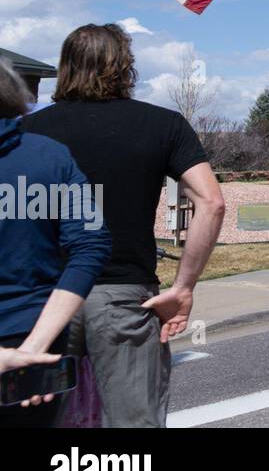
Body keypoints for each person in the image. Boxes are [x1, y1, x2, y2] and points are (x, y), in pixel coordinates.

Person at [22, 24, 224, 427]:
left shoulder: (29, 131)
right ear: (124, 68)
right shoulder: (163, 124)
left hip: (43, 300)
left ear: (65, 69)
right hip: (123, 298)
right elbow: (212, 202)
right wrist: (183, 287)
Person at [0, 59, 111, 426]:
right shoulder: (51, 156)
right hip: (33, 340)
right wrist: (34, 345)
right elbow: (92, 244)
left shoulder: (52, 155)